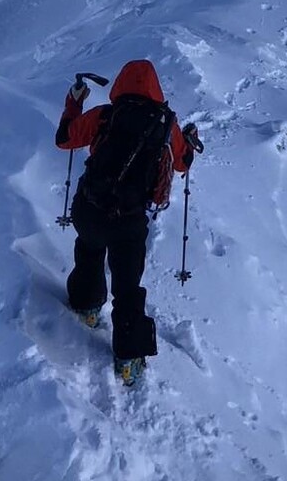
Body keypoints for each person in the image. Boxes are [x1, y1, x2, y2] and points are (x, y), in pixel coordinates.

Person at [56, 59, 198, 385]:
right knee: (128, 286)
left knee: (89, 250)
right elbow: (182, 163)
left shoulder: (106, 115)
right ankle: (129, 356)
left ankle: (86, 306)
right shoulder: (167, 125)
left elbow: (64, 139)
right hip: (129, 222)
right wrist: (188, 140)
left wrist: (74, 101)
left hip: (89, 209)